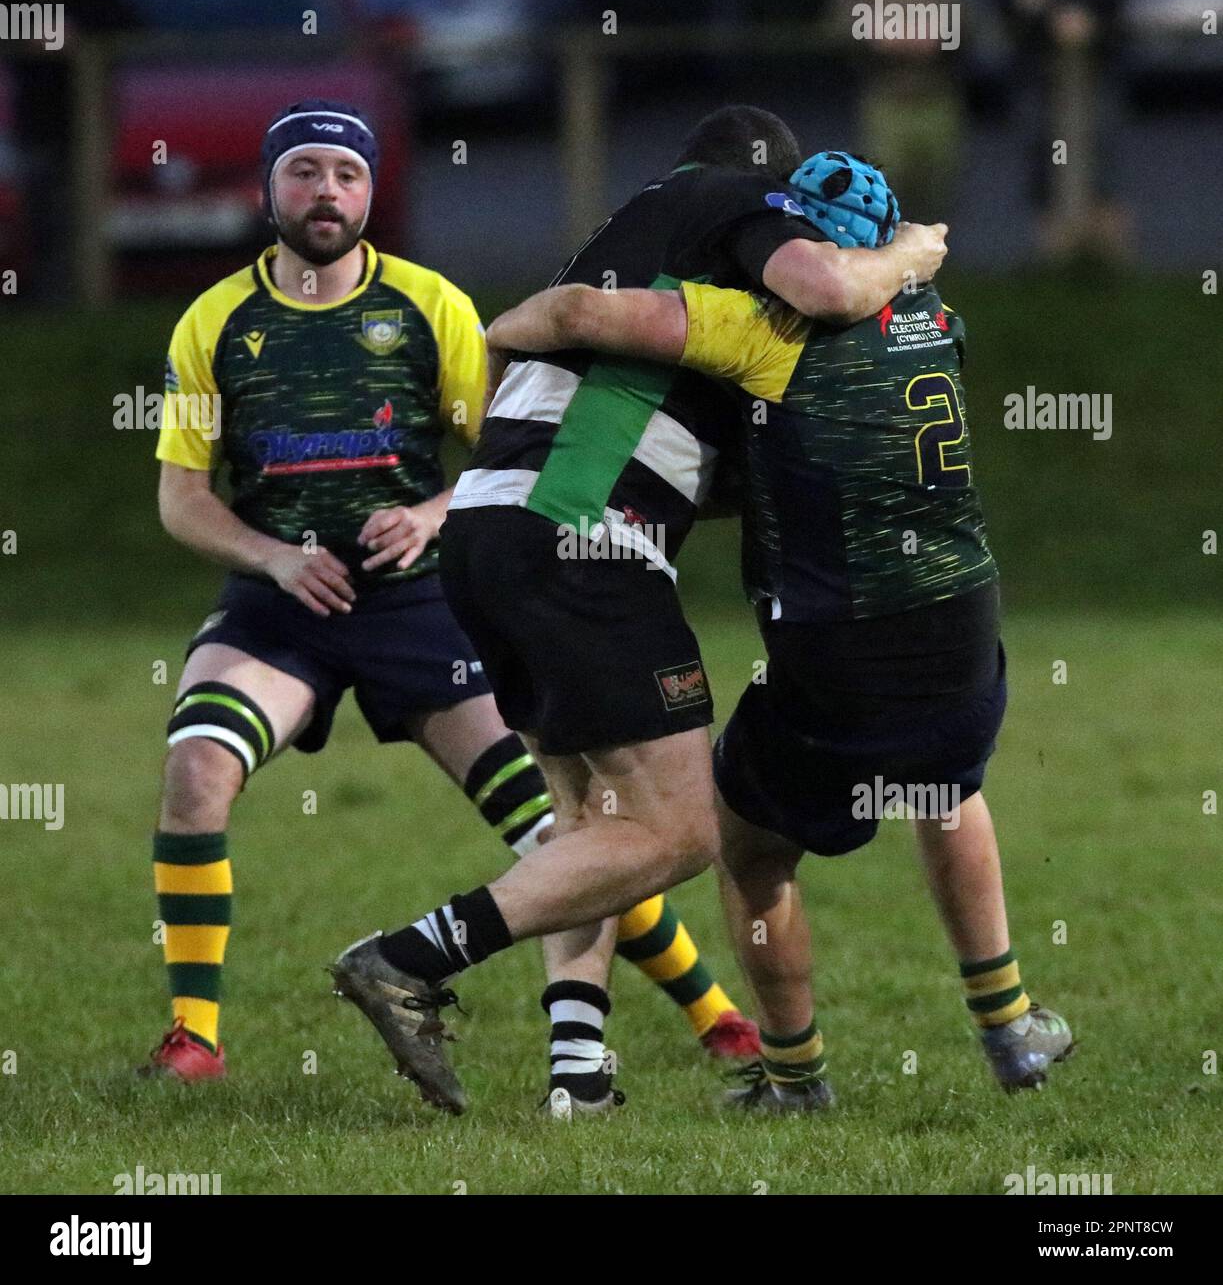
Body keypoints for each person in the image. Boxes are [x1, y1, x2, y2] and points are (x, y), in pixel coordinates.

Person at [330, 107, 951, 1117]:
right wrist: (911, 254)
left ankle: (577, 1074)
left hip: (490, 527)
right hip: (579, 537)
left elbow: (546, 363)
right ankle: (404, 959)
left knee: (591, 823)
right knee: (678, 830)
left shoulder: (631, 231)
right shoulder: (734, 200)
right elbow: (827, 283)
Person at [141, 97, 757, 1088]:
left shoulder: (428, 305)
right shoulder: (215, 321)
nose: (325, 192)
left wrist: (427, 518)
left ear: (371, 190)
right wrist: (274, 556)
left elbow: (509, 447)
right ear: (269, 188)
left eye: (345, 174)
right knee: (194, 771)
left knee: (564, 824)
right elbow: (180, 497)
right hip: (280, 607)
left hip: (419, 600)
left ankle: (710, 1010)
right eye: (303, 172)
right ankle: (193, 1037)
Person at [484, 150, 1074, 1111]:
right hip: (963, 615)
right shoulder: (939, 323)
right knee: (945, 789)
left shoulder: (763, 328)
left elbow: (583, 315)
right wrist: (915, 253)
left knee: (747, 845)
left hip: (840, 639)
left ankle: (795, 1079)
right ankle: (1007, 1024)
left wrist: (498, 338)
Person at [0, 0, 140, 298]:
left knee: (82, 215)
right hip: (35, 127)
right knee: (41, 214)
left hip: (88, 127)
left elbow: (130, 25)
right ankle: (50, 297)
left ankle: (88, 295)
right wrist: (32, 35)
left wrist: (73, 36)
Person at [993, 0, 1130, 260]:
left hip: (1093, 71)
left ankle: (1108, 260)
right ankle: (1056, 259)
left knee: (1100, 159)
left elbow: (1119, 3)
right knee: (1043, 161)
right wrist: (1042, 14)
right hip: (1035, 72)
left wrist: (1087, 23)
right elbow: (1002, 4)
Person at [830, 0, 966, 225]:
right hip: (885, 96)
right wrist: (879, 38)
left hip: (936, 94)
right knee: (883, 188)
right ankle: (887, 268)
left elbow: (971, 27)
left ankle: (936, 268)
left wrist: (937, 39)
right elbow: (838, 27)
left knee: (936, 187)